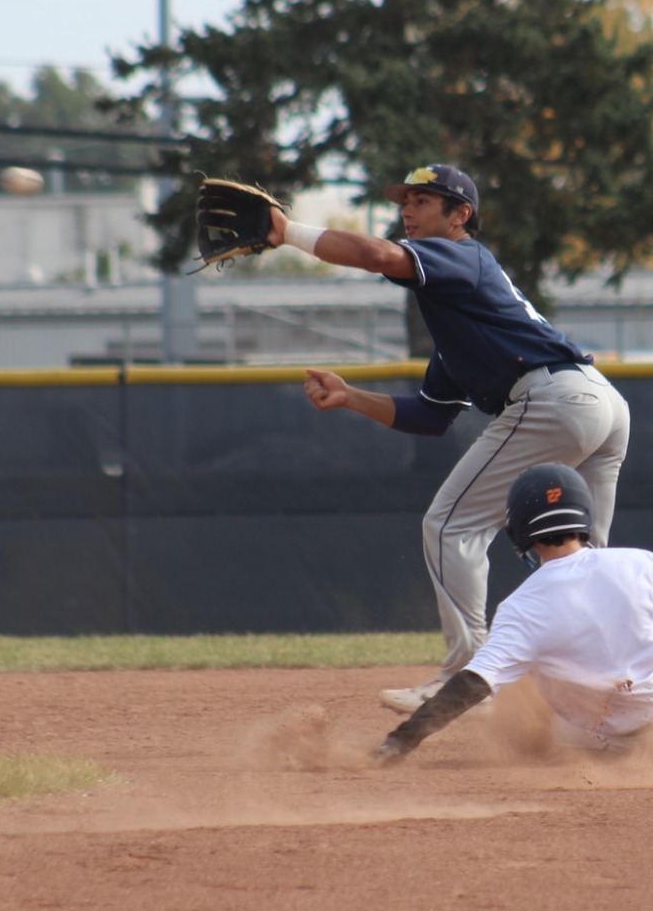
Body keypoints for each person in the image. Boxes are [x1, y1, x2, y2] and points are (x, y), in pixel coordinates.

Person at [269, 164, 631, 714]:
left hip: (556, 400)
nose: (407, 210)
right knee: (581, 564)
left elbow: (376, 256)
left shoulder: (462, 256)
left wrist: (287, 232)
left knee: (450, 525)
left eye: (422, 200)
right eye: (405, 200)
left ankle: (470, 676)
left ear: (460, 215)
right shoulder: (459, 315)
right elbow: (432, 414)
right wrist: (352, 397)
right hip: (595, 400)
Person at [370, 463, 653, 765]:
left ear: (519, 531)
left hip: (603, 744)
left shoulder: (521, 608)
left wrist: (401, 740)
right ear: (584, 518)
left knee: (527, 679)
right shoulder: (640, 563)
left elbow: (472, 685)